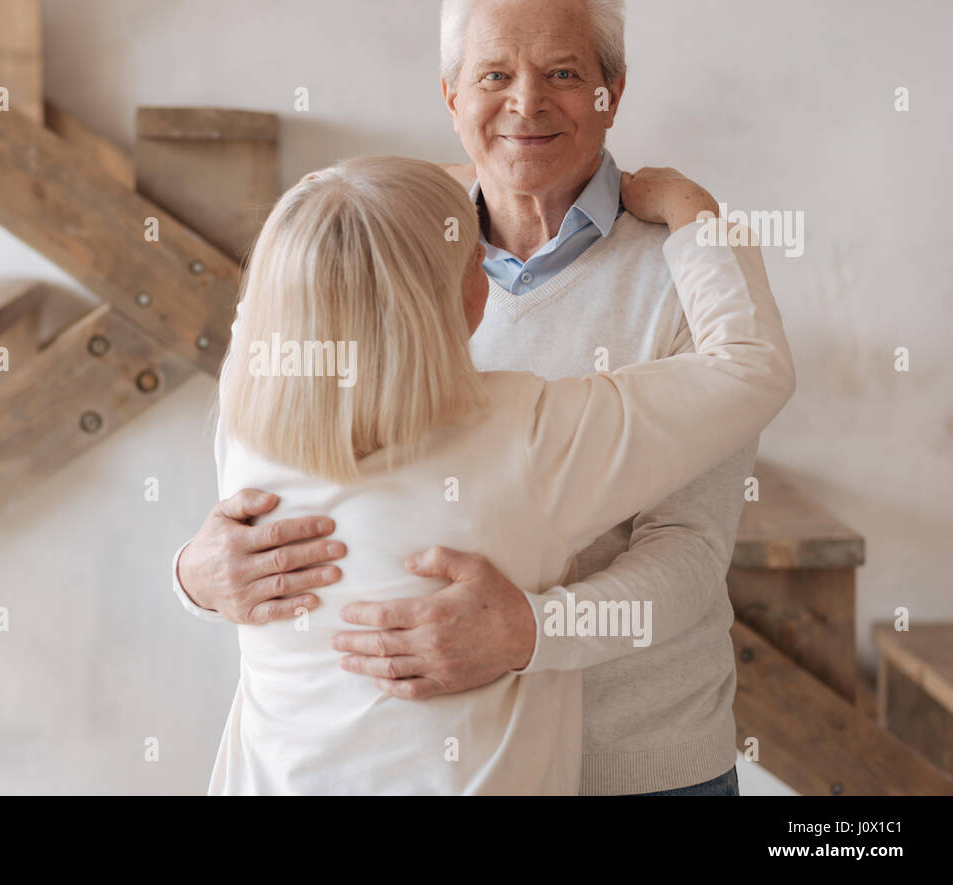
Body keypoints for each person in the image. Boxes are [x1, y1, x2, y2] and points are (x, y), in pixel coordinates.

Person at [199, 154, 792, 793]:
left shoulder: (246, 412)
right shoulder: (527, 434)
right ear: (466, 296)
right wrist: (692, 210)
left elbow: (300, 249)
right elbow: (750, 367)